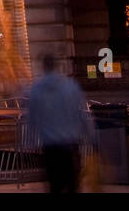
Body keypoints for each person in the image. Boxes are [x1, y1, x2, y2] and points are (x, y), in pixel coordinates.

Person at [25, 54, 94, 194]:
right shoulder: (71, 87)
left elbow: (32, 120)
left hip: (50, 148)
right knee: (72, 185)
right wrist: (93, 139)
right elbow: (82, 114)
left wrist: (30, 145)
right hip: (70, 145)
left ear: (43, 67)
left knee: (55, 186)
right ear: (56, 66)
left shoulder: (36, 90)